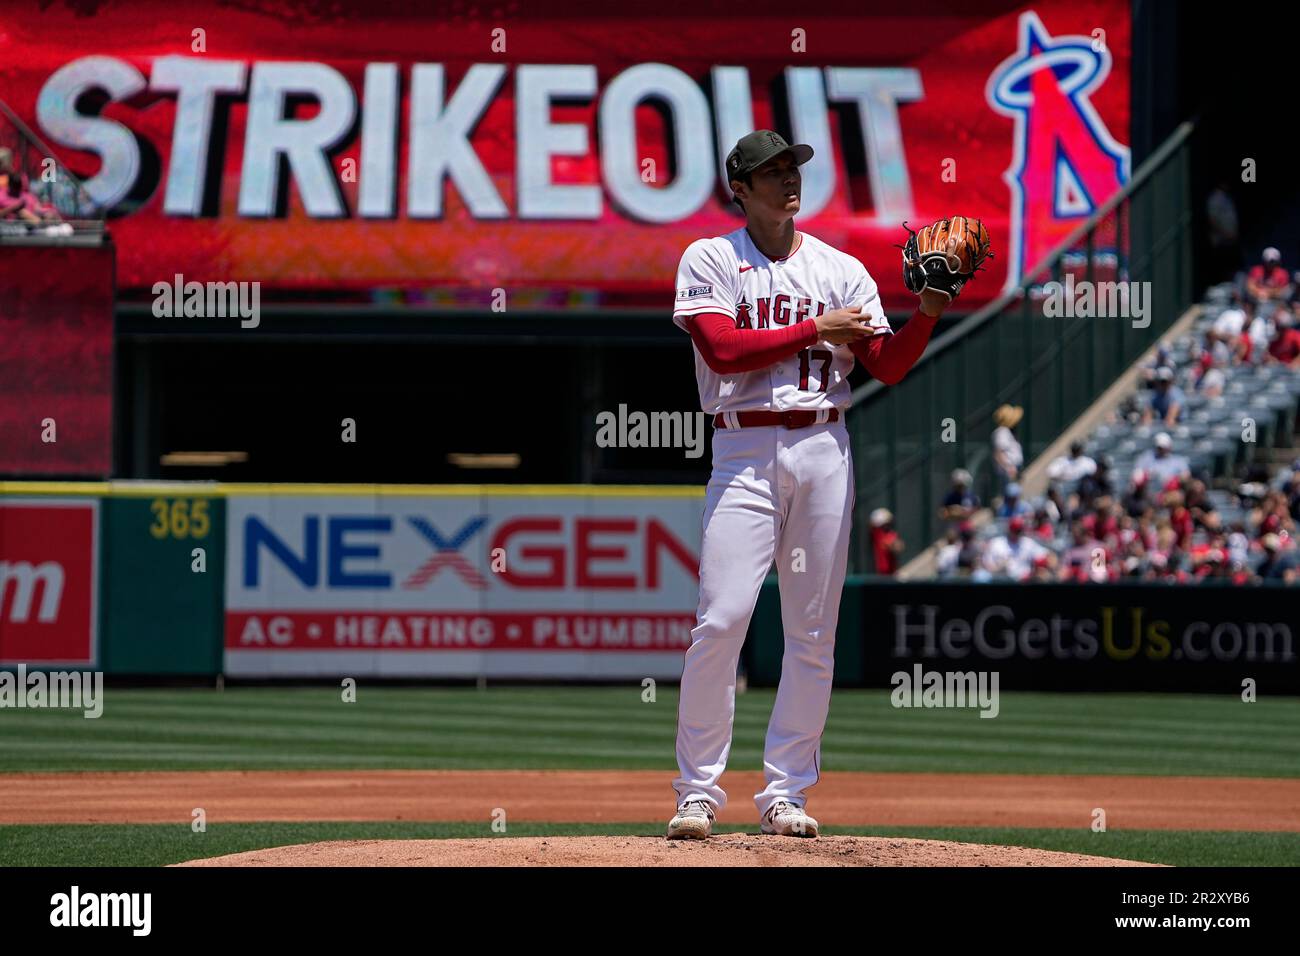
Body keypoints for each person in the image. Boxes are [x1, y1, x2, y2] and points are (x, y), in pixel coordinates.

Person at [666, 130, 955, 841]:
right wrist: (812, 329)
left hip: (825, 443)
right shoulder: (711, 257)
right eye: (770, 172)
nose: (787, 181)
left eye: (792, 168)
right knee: (723, 618)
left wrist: (928, 315)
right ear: (740, 188)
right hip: (743, 445)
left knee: (813, 630)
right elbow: (722, 350)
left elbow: (883, 366)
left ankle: (785, 793)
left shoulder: (842, 268)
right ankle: (698, 793)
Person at [982, 516, 1052, 581]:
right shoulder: (997, 543)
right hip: (1001, 580)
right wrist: (999, 567)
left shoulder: (1027, 543)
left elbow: (1047, 555)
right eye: (1016, 531)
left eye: (1019, 531)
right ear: (1009, 530)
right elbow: (987, 566)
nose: (1018, 533)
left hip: (1023, 579)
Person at [991, 404, 1024, 489]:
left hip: (1013, 468)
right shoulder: (1002, 432)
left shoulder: (1006, 432)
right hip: (1009, 470)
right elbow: (999, 453)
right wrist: (1009, 468)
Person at [869, 507, 905, 575]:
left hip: (890, 574)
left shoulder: (889, 535)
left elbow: (899, 546)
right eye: (886, 524)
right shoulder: (877, 534)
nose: (888, 526)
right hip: (881, 574)